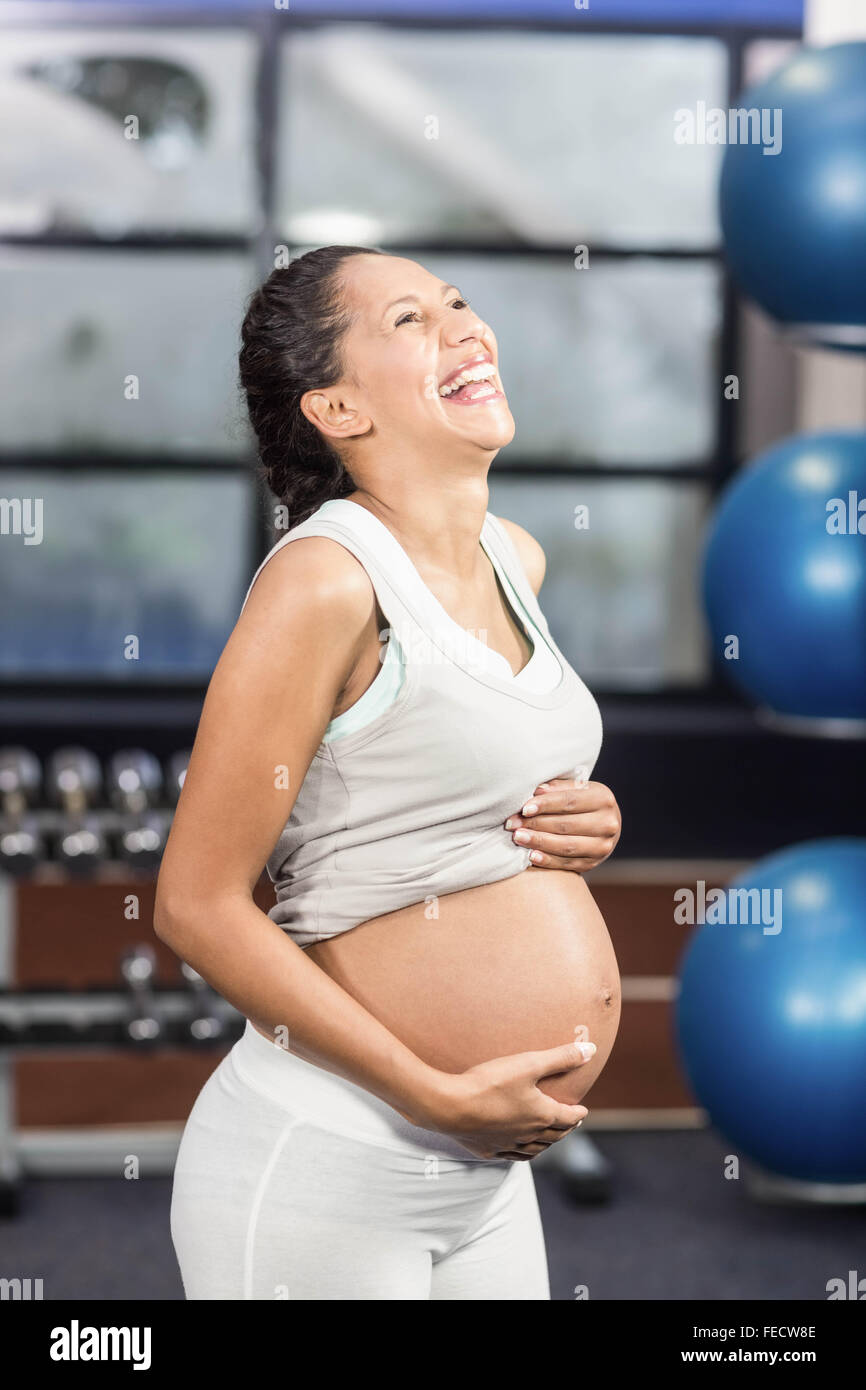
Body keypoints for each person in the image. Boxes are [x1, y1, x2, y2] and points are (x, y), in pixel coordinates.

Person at [156, 246, 622, 1300]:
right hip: (332, 1160)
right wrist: (432, 1092)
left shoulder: (516, 556)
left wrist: (585, 824)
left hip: (481, 1183)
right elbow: (194, 905)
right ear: (336, 407)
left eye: (458, 303)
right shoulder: (324, 581)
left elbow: (446, 794)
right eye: (409, 320)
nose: (465, 327)